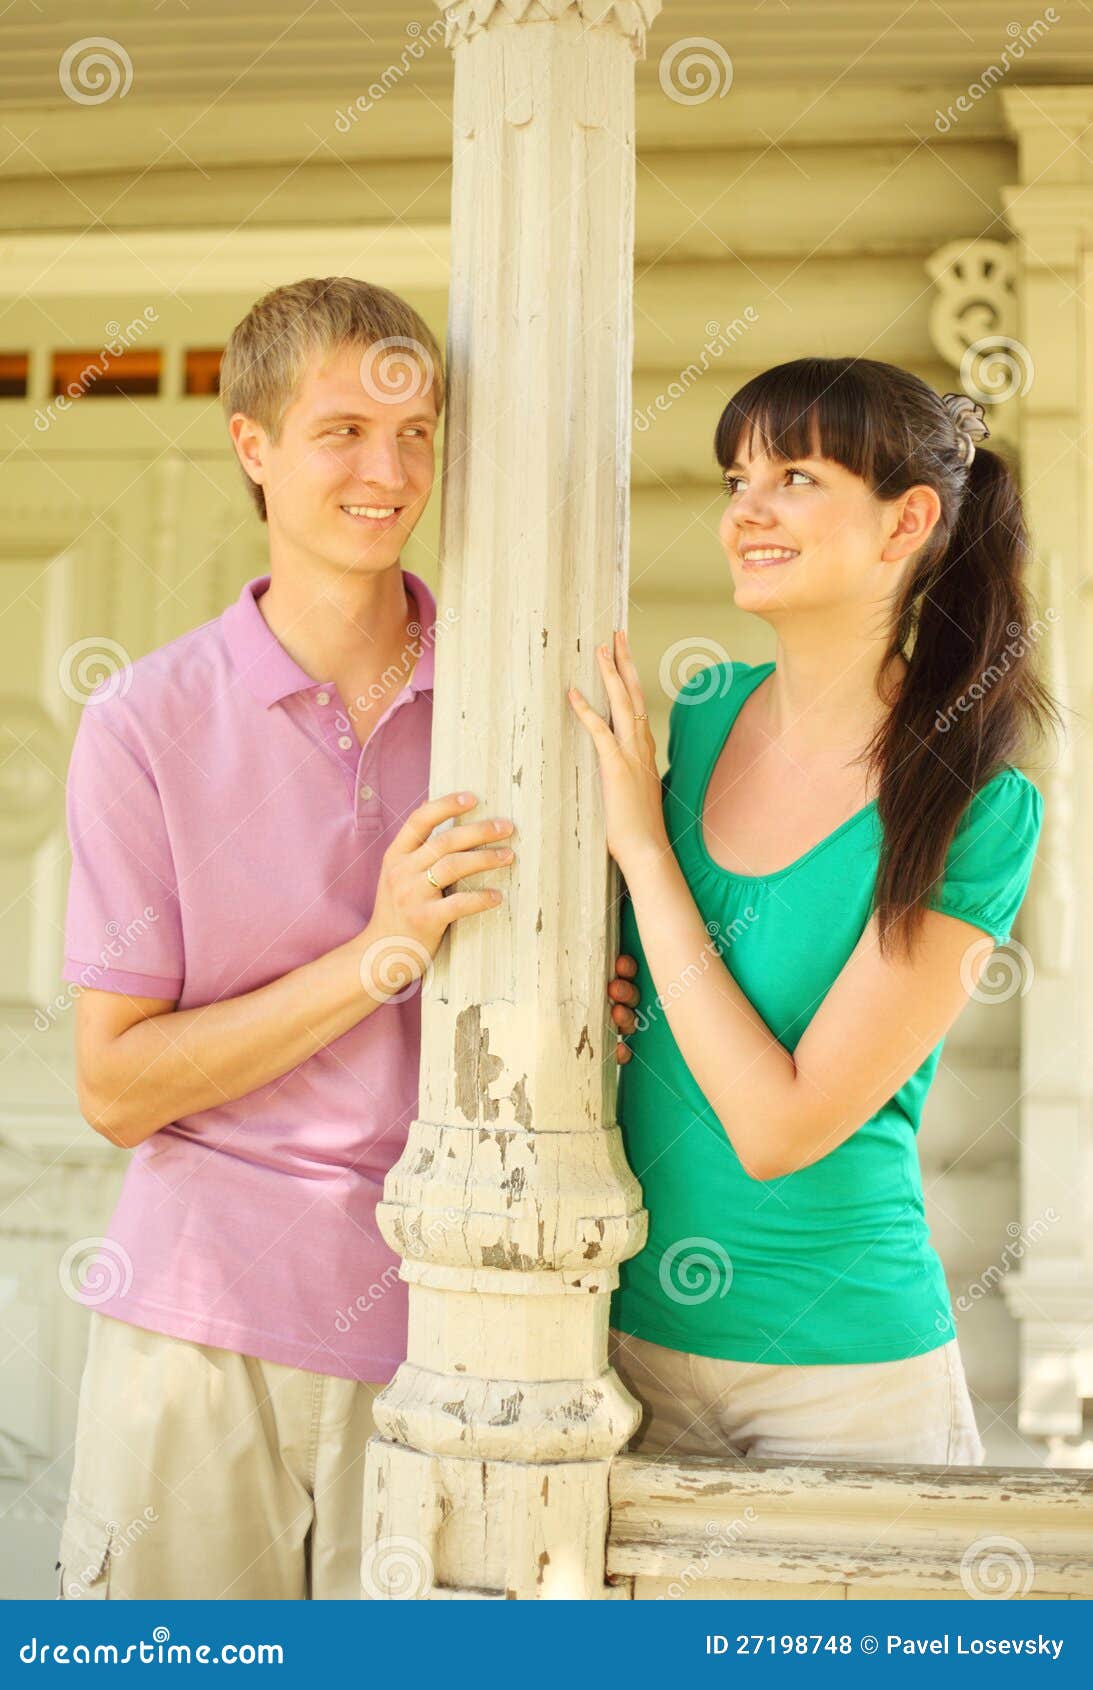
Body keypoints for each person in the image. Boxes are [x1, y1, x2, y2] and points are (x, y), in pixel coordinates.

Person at [56, 276, 636, 1599]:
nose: (390, 470)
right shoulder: (143, 722)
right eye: (343, 432)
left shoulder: (512, 701)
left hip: (449, 1324)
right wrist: (380, 948)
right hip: (201, 1332)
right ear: (253, 447)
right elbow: (114, 1084)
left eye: (417, 431)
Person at [571, 355, 1060, 1466]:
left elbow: (777, 1128)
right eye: (738, 476)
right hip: (626, 1339)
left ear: (907, 523)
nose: (747, 508)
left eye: (795, 475)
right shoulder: (695, 719)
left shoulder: (975, 806)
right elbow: (651, 1005)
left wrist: (643, 850)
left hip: (844, 1373)